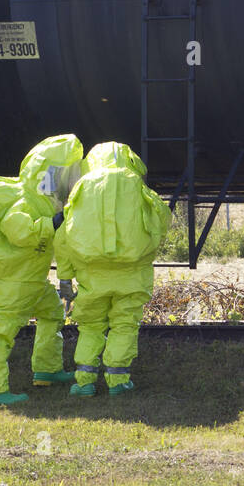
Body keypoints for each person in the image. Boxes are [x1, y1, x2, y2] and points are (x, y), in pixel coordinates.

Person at [0, 134, 85, 406]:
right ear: (48, 174)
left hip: (32, 282)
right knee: (0, 333)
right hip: (16, 284)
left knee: (53, 312)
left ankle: (47, 369)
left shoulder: (44, 202)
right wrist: (51, 224)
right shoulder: (27, 201)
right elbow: (16, 229)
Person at [54, 141, 171, 396]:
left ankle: (84, 381)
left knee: (91, 326)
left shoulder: (82, 187)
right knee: (124, 325)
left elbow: (63, 237)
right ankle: (118, 382)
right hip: (131, 275)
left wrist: (64, 277)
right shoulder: (137, 185)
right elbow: (161, 220)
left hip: (92, 276)